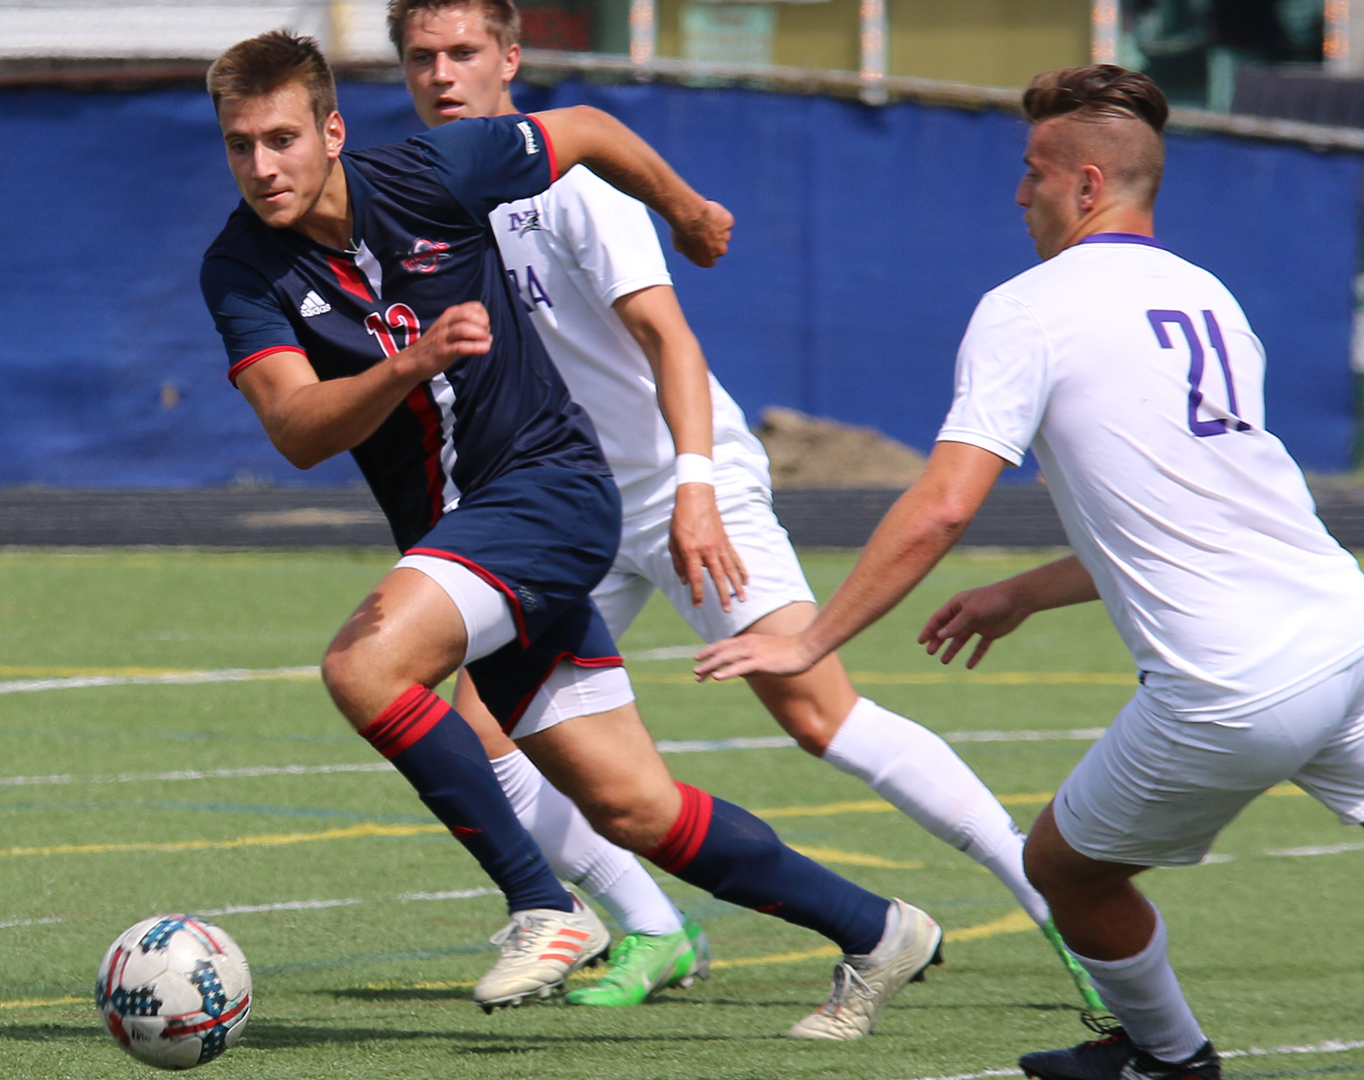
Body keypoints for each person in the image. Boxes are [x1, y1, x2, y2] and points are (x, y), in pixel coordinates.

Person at [200, 29, 942, 1036]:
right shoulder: (239, 267)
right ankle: (876, 930)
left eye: (281, 138)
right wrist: (407, 365)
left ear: (332, 132)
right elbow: (295, 428)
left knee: (363, 668)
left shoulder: (433, 169)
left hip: (548, 490)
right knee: (635, 808)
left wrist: (685, 209)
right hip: (472, 537)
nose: (261, 166)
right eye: (239, 144)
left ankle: (544, 907)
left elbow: (588, 128)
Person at [386, 0, 1099, 1011]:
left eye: (464, 52)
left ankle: (1063, 915)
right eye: (423, 56)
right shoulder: (421, 201)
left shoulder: (571, 186)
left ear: (510, 58)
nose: (443, 74)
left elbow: (671, 341)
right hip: (566, 505)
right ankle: (653, 928)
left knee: (816, 709)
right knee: (484, 726)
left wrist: (696, 491)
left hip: (683, 484)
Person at [695, 64, 1364, 1080]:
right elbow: (1199, 515)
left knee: (1061, 867)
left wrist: (810, 640)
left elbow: (943, 504)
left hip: (1231, 680)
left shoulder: (1030, 306)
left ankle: (1167, 1058)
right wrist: (1022, 591)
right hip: (1341, 628)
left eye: (1034, 171)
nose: (1019, 194)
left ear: (1086, 184)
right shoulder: (1209, 296)